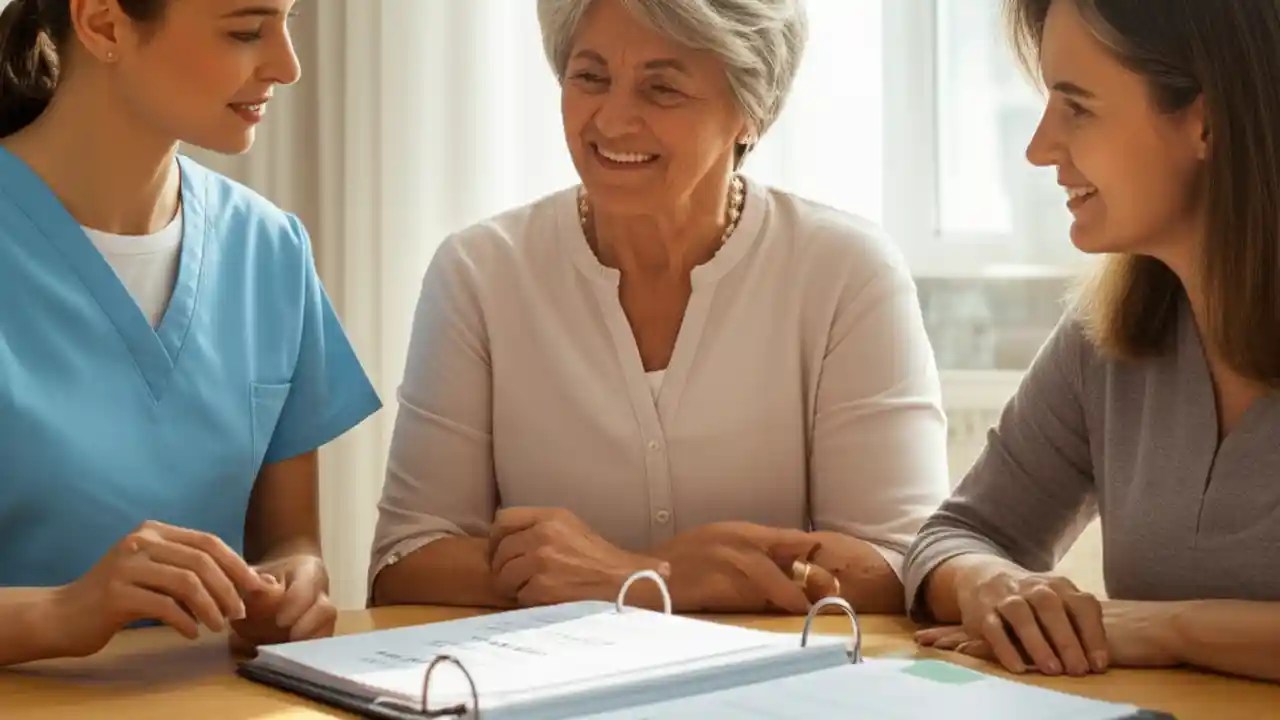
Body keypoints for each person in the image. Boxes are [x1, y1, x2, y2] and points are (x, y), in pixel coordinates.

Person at [369, 0, 949, 615]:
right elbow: (406, 562)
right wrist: (638, 578)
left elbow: (899, 565)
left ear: (753, 112)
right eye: (590, 77)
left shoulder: (847, 272)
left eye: (662, 89)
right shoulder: (479, 272)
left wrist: (634, 577)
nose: (613, 120)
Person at [905, 0, 1280, 684]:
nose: (1039, 146)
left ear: (1207, 120)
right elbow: (954, 537)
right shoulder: (1105, 337)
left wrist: (1168, 627)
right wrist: (994, 585)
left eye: (1076, 108)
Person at [0, 0, 380, 666]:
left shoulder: (270, 250)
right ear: (104, 24)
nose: (287, 66)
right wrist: (63, 613)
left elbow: (290, 543)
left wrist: (294, 586)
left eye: (288, 24)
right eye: (245, 31)